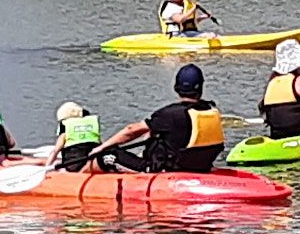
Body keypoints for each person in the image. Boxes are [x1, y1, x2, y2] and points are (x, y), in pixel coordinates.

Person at [92, 64, 225, 173]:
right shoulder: (211, 110)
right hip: (201, 167)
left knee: (108, 155)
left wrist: (101, 148)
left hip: (163, 170)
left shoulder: (169, 114)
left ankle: (80, 176)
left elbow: (131, 130)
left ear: (176, 88)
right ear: (201, 87)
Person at [43, 101, 102, 172]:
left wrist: (46, 168)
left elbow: (56, 151)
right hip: (93, 162)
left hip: (74, 165)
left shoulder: (66, 126)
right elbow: (100, 143)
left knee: (57, 163)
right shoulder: (91, 124)